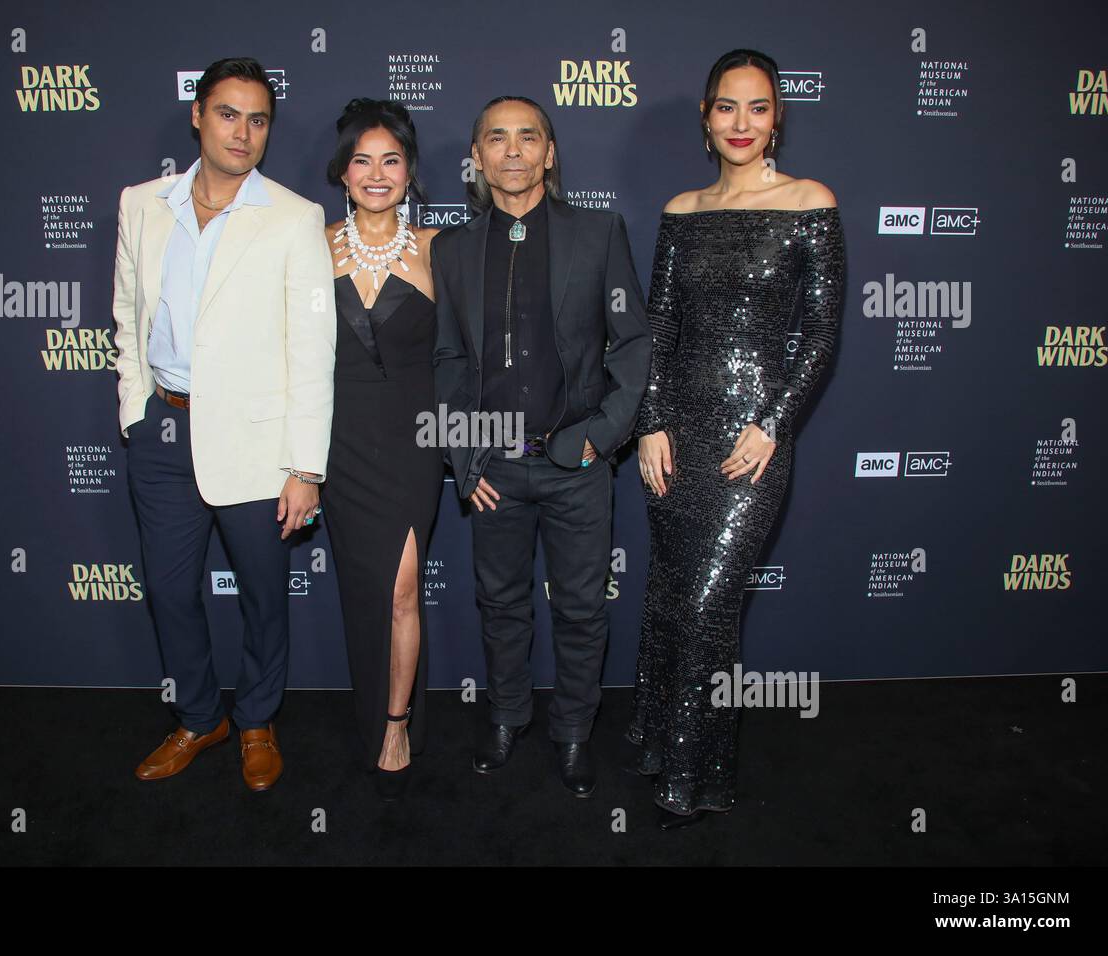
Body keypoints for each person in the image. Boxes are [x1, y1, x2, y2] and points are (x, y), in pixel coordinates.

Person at [627, 49, 845, 828]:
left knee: (710, 604)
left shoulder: (809, 201)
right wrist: (649, 421)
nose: (742, 123)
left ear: (777, 115)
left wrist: (774, 425)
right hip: (676, 437)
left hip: (751, 442)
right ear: (706, 117)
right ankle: (656, 737)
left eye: (757, 108)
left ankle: (698, 769)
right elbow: (661, 328)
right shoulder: (681, 211)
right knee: (668, 594)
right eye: (727, 107)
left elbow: (819, 335)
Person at [112, 57, 336, 792]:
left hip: (257, 444)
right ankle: (200, 716)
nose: (243, 132)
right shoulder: (142, 204)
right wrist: (134, 409)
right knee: (171, 593)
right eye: (229, 114)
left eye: (258, 119)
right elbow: (126, 313)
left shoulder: (295, 217)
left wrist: (305, 466)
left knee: (264, 596)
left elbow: (312, 350)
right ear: (198, 116)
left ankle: (258, 720)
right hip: (163, 433)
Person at [432, 95, 651, 797]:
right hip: (492, 464)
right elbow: (448, 362)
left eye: (529, 136)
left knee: (583, 609)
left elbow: (635, 343)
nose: (514, 149)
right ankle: (506, 716)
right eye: (497, 136)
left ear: (550, 154)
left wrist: (603, 441)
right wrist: (463, 456)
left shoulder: (597, 232)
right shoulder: (454, 249)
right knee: (500, 603)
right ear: (478, 157)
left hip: (576, 463)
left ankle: (574, 731)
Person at [318, 99, 443, 800]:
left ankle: (396, 720)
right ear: (342, 170)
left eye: (390, 160)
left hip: (411, 439)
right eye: (362, 159)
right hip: (336, 441)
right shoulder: (311, 246)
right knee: (364, 589)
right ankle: (372, 707)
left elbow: (460, 357)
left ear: (409, 171)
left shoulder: (436, 250)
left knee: (401, 586)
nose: (376, 172)